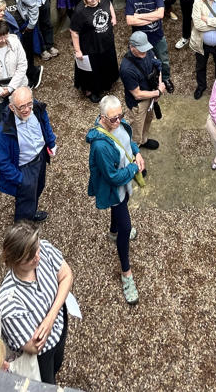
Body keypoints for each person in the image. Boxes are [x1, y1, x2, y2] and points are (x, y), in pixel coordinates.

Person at [0, 222, 74, 385]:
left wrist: (50, 318)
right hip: (40, 357)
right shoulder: (8, 304)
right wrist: (56, 308)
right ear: (14, 260)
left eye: (36, 249)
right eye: (30, 257)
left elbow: (67, 275)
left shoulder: (43, 248)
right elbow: (35, 346)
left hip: (59, 326)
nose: (37, 256)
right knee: (45, 383)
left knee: (57, 363)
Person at [86, 95, 145, 305]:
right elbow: (112, 177)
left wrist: (137, 154)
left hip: (124, 185)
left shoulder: (117, 122)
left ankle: (113, 232)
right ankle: (126, 274)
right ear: (102, 117)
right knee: (126, 226)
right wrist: (133, 168)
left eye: (121, 116)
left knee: (122, 211)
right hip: (115, 190)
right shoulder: (101, 146)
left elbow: (129, 141)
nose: (118, 121)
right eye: (113, 119)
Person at [0, 87, 57, 223]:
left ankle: (31, 214)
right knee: (25, 202)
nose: (27, 109)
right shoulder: (3, 131)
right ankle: (23, 233)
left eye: (29, 104)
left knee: (38, 189)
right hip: (25, 167)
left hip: (40, 158)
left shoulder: (37, 109)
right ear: (11, 107)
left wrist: (51, 143)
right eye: (22, 107)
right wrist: (21, 179)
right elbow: (1, 162)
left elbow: (45, 124)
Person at [69, 0, 119, 103]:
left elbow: (110, 5)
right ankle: (91, 90)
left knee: (107, 62)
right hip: (90, 46)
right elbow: (74, 32)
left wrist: (113, 17)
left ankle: (106, 82)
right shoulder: (80, 11)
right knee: (92, 69)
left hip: (106, 42)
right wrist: (78, 51)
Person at [126, 0, 173, 94]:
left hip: (157, 35)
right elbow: (130, 20)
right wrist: (152, 16)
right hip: (140, 39)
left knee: (163, 59)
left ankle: (166, 79)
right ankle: (146, 82)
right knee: (141, 61)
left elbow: (160, 14)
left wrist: (140, 16)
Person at [119, 31, 165, 151]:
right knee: (137, 130)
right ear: (131, 47)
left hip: (150, 95)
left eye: (145, 49)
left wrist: (159, 85)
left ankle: (143, 141)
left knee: (148, 119)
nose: (144, 52)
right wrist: (157, 93)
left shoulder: (146, 51)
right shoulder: (127, 69)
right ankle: (134, 155)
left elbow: (157, 67)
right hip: (139, 104)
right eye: (141, 50)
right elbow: (137, 94)